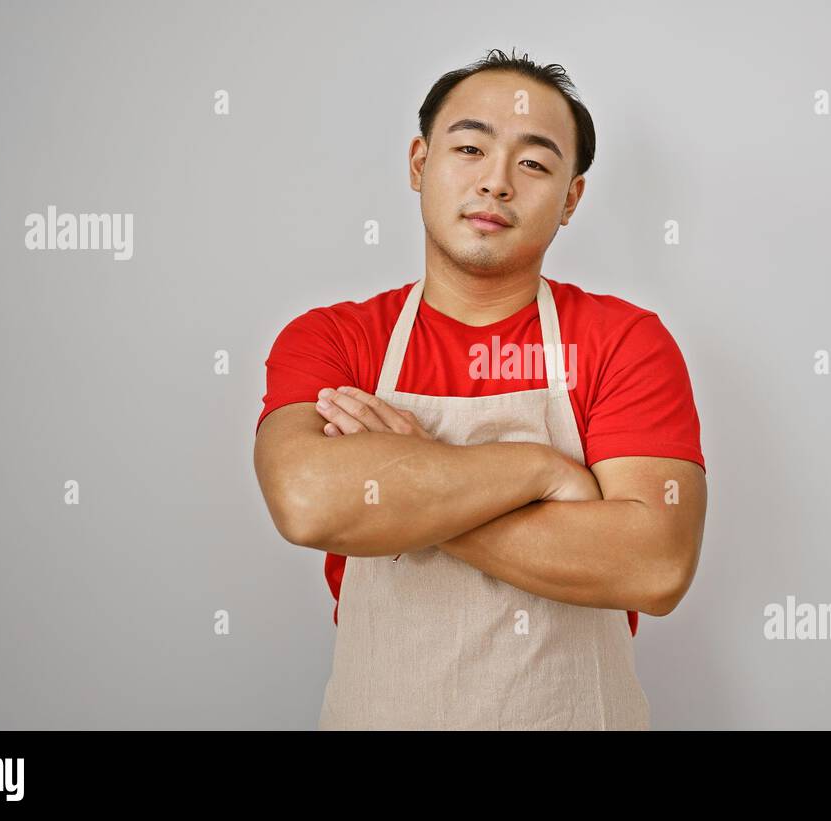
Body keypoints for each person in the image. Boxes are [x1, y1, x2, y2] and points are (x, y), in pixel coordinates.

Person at [253, 48, 707, 730]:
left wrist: (406, 479)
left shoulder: (625, 341)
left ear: (570, 199)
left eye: (534, 163)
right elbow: (309, 500)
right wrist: (541, 471)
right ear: (419, 163)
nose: (496, 182)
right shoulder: (335, 340)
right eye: (469, 147)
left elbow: (656, 564)